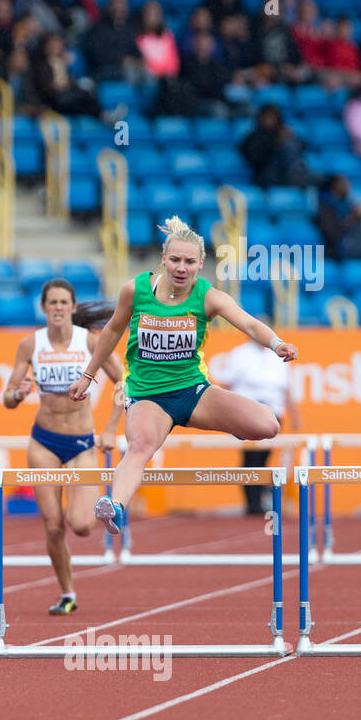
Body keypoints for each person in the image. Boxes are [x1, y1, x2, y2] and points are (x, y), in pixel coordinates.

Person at [69, 217, 299, 535]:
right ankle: (115, 506)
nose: (181, 268)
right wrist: (88, 375)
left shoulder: (208, 297)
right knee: (141, 445)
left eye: (189, 262)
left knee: (268, 424)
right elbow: (110, 332)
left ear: (200, 264)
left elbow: (248, 324)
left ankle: (235, 426)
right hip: (148, 396)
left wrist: (277, 344)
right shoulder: (135, 290)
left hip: (193, 392)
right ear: (163, 259)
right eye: (175, 260)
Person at [2, 280, 122, 614]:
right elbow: (8, 398)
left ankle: (80, 528)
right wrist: (19, 394)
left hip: (82, 442)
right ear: (43, 308)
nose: (57, 308)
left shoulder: (90, 341)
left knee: (82, 525)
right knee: (53, 526)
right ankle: (68, 593)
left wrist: (111, 427)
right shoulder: (30, 344)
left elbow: (124, 384)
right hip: (44, 441)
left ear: (72, 307)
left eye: (63, 302)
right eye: (52, 302)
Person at [215, 330, 300, 515]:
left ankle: (259, 499)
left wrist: (295, 415)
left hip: (273, 411)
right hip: (247, 411)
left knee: (263, 457)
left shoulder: (278, 356)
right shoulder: (239, 354)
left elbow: (285, 388)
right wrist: (222, 412)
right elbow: (226, 385)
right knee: (251, 457)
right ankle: (252, 503)